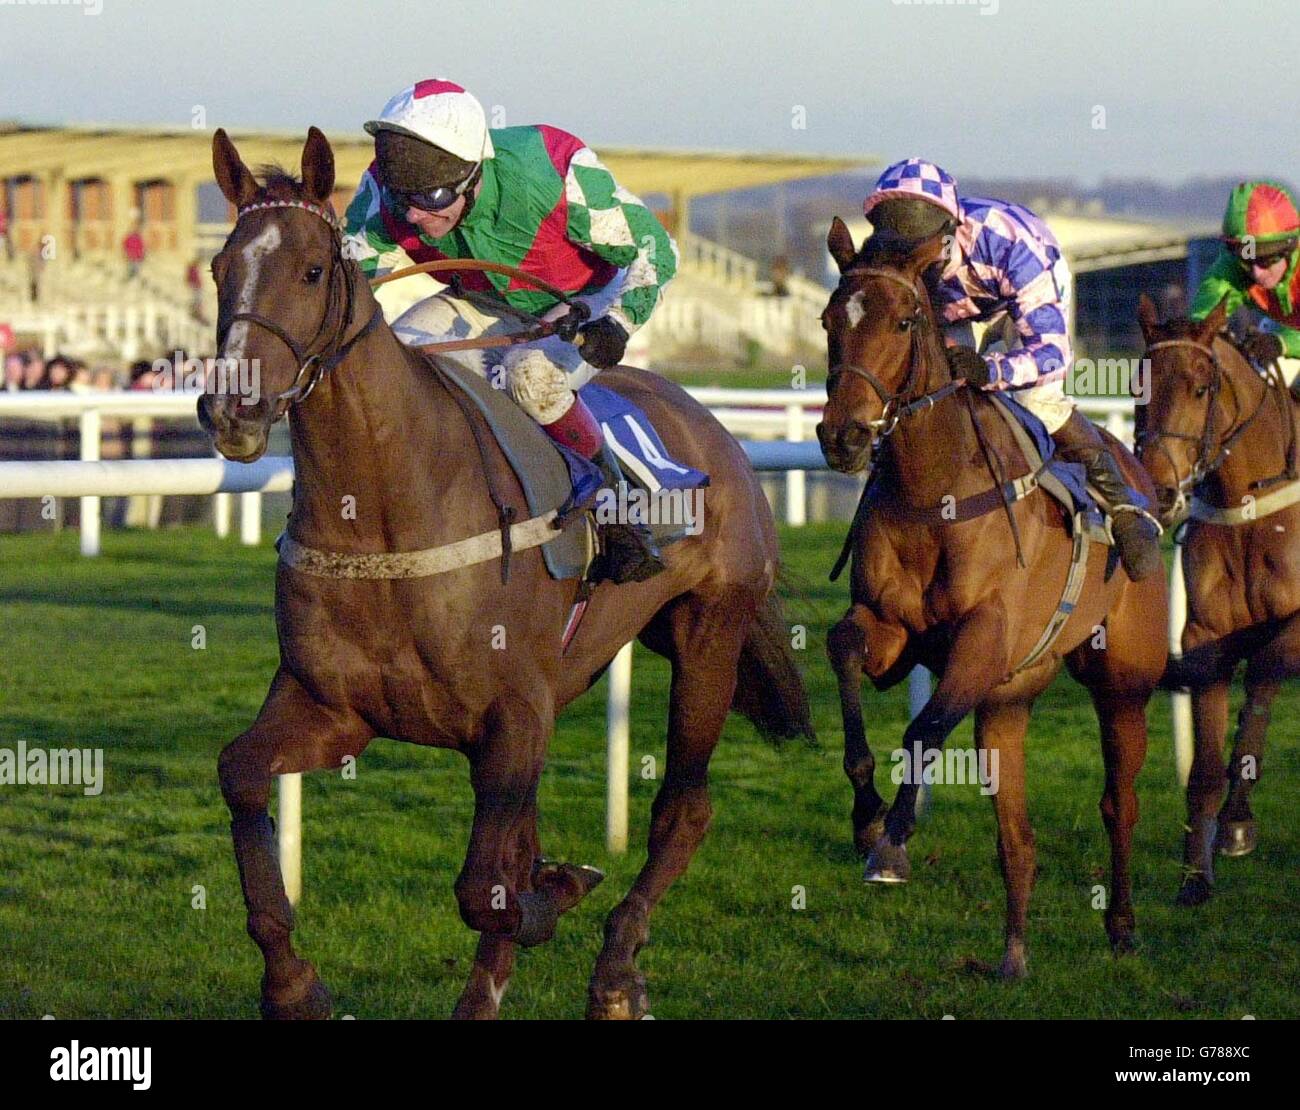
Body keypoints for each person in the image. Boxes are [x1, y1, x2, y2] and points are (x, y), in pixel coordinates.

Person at [343, 78, 679, 583]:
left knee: (531, 376)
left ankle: (619, 513)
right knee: (398, 365)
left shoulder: (553, 168)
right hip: (479, 298)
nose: (414, 215)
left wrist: (617, 322)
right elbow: (343, 278)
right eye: (403, 197)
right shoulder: (383, 192)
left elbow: (656, 248)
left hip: (580, 300)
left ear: (474, 174)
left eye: (432, 198)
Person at [861, 158, 1162, 581]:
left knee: (1038, 399)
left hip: (1023, 297)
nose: (908, 260)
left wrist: (989, 370)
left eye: (917, 249)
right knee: (930, 397)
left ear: (947, 234)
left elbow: (1052, 353)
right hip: (958, 312)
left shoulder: (1012, 245)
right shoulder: (899, 262)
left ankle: (1122, 507)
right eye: (898, 249)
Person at [1190, 180, 1300, 400]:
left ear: (1290, 248)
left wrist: (1282, 343)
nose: (1257, 274)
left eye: (1266, 261)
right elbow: (1201, 320)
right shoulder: (1233, 264)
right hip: (1286, 328)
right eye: (1247, 261)